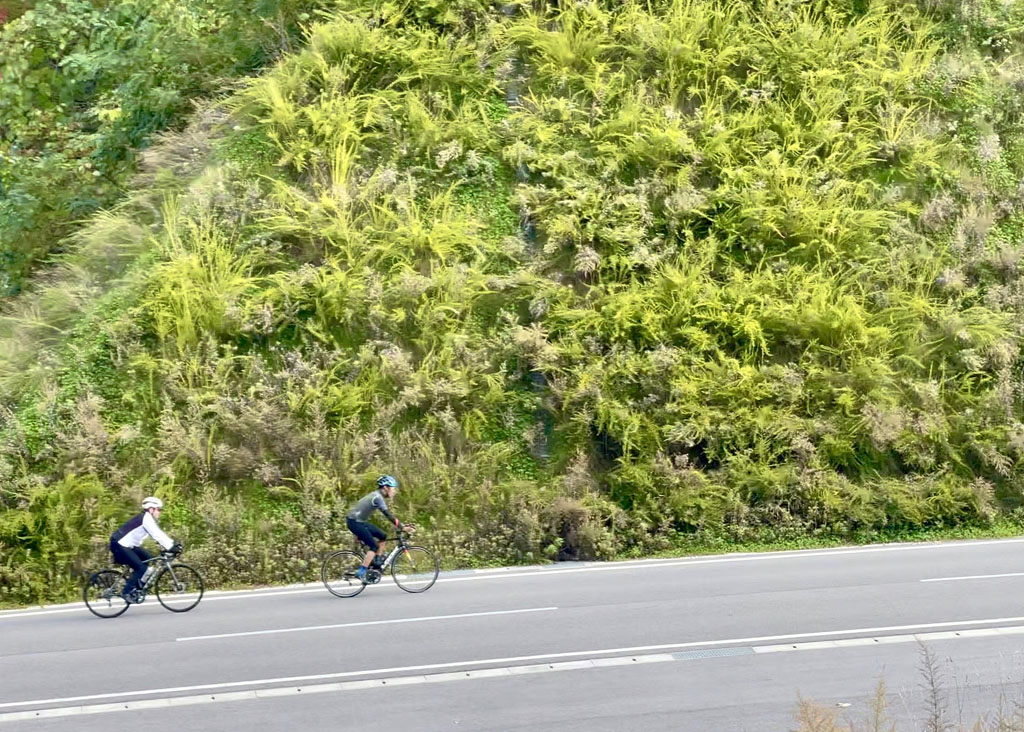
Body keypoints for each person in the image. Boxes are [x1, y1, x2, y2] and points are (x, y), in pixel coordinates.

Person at [110, 496, 179, 601]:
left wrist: (170, 544)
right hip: (119, 545)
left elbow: (156, 535)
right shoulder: (146, 519)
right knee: (141, 568)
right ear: (151, 509)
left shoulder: (146, 518)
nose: (160, 512)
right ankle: (126, 593)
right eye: (158, 509)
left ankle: (137, 587)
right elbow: (156, 534)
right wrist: (171, 546)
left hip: (128, 545)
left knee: (148, 558)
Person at [346, 475, 404, 581]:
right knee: (374, 547)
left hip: (359, 521)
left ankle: (376, 562)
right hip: (354, 523)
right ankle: (362, 571)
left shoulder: (377, 495)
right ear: (385, 488)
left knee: (383, 536)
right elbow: (388, 515)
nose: (394, 491)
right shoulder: (378, 498)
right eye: (393, 488)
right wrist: (402, 527)